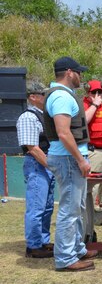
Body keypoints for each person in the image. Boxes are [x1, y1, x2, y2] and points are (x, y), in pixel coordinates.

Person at [44, 57, 98, 272]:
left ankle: (76, 248)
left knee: (77, 206)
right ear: (69, 72)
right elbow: (64, 133)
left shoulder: (61, 95)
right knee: (70, 209)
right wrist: (80, 159)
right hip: (68, 159)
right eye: (78, 72)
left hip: (68, 158)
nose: (80, 76)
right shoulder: (61, 97)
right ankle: (66, 258)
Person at [17, 81, 55, 259]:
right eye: (43, 94)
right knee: (37, 207)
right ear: (33, 97)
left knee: (47, 207)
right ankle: (33, 245)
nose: (46, 97)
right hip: (37, 164)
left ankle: (43, 241)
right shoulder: (28, 117)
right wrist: (51, 165)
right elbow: (32, 148)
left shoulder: (41, 115)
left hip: (45, 164)